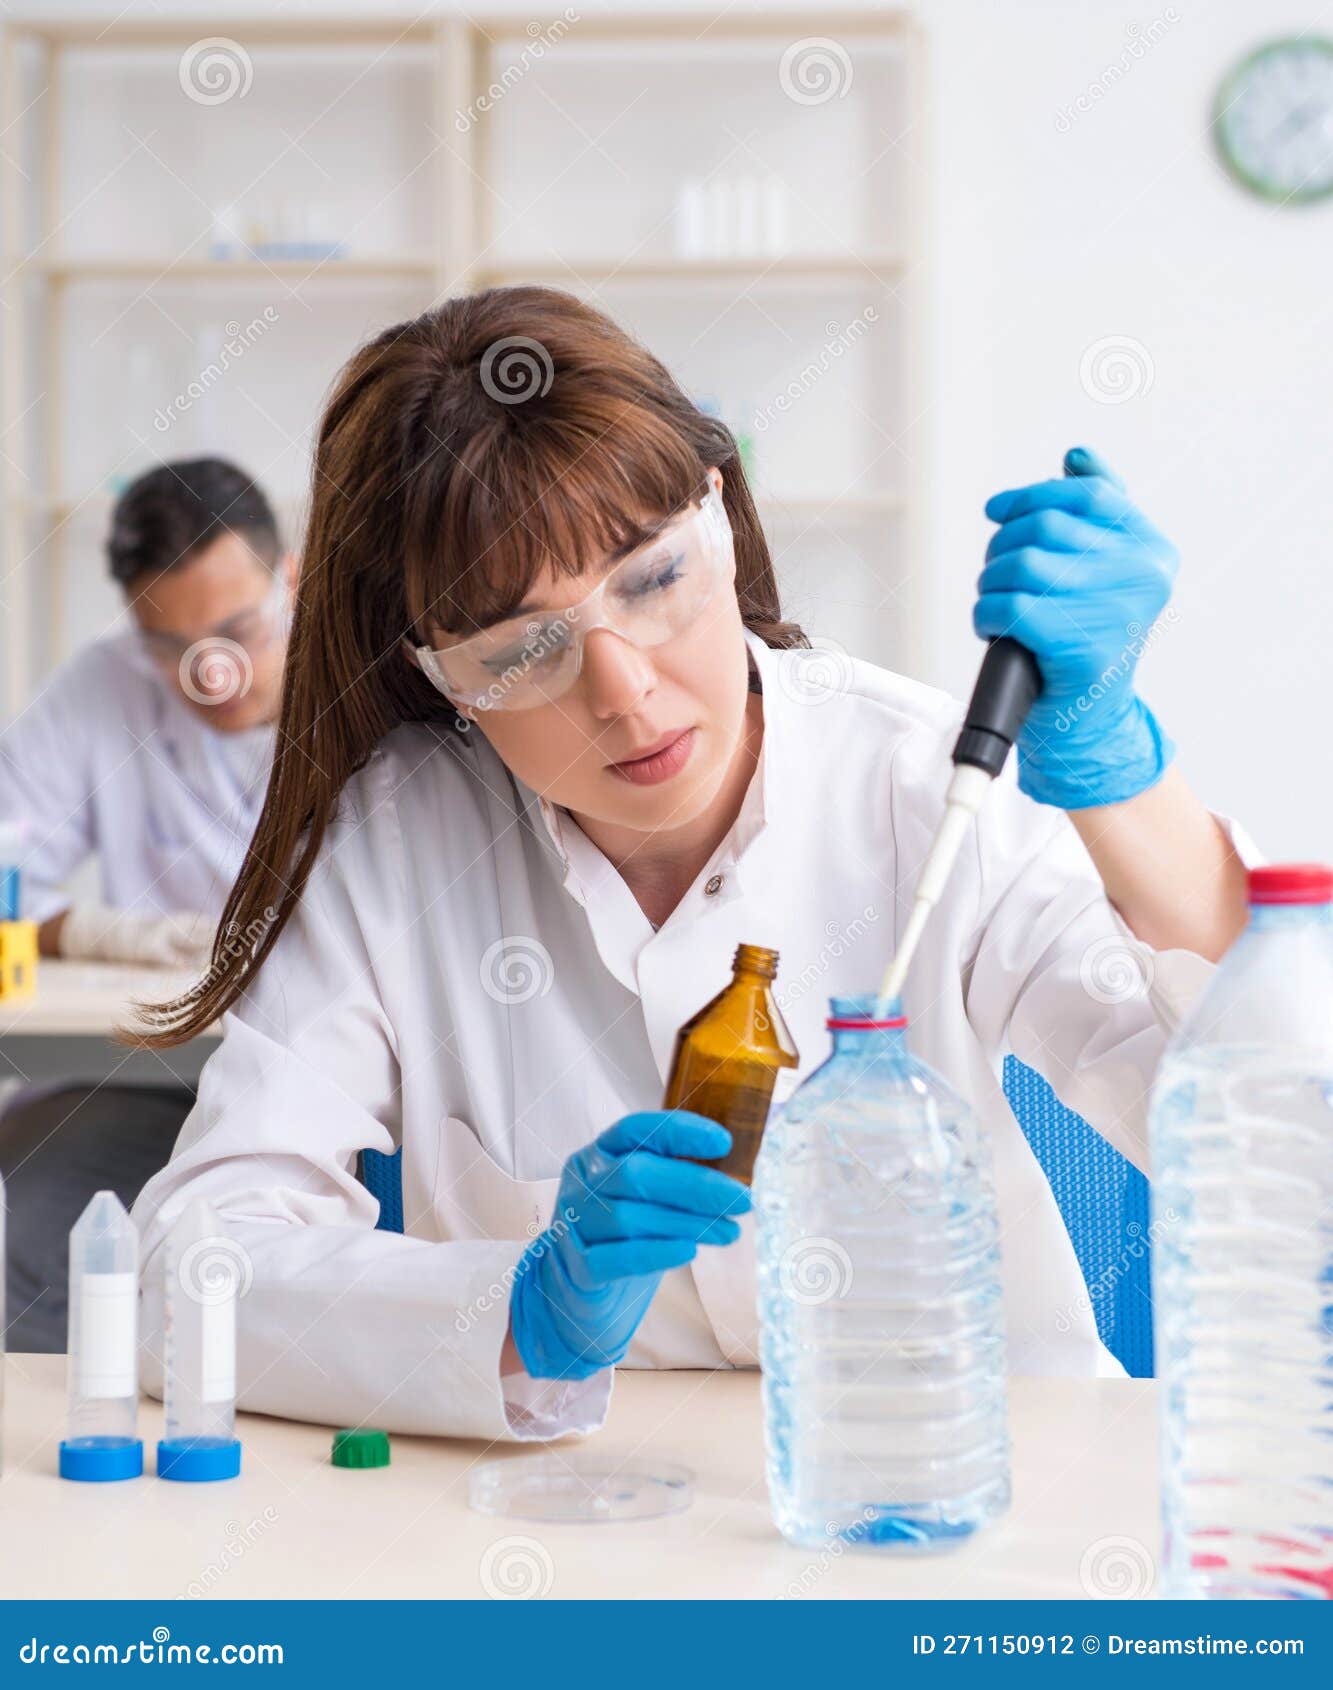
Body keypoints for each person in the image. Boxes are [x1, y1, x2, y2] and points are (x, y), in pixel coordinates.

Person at [132, 286, 1253, 1442]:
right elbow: (187, 1277)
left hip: (965, 1499)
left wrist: (1122, 778)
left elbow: (1273, 1162)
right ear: (436, 673)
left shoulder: (925, 782)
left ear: (717, 519)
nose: (623, 693)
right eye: (523, 648)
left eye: (654, 579)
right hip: (580, 1538)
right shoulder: (399, 848)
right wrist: (519, 1315)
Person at [0, 458, 294, 1349]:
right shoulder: (102, 685)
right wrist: (98, 932)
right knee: (34, 1202)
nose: (212, 671)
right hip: (157, 1078)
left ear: (292, 578)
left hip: (331, 1083)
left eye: (238, 629)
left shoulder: (375, 686)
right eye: (168, 648)